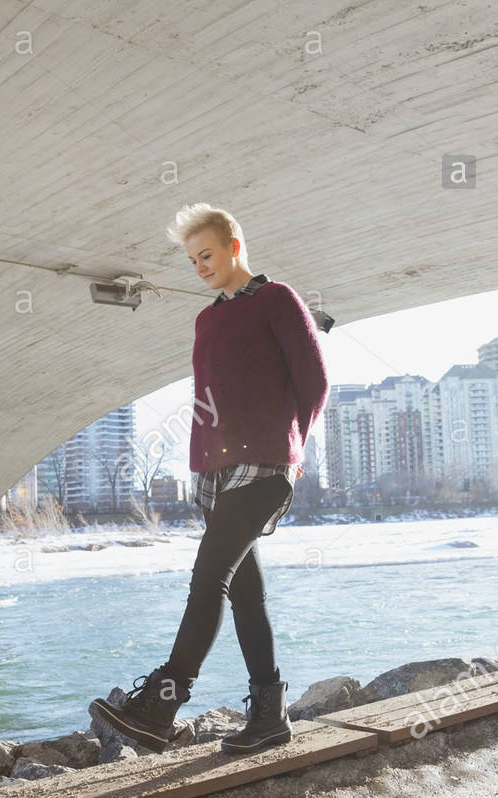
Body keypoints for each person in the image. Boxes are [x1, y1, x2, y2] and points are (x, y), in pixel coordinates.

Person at [88, 203, 330, 756]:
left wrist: (294, 453)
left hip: (264, 467)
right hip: (214, 476)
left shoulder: (277, 299)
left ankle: (161, 704)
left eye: (207, 255)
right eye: (192, 259)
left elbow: (314, 381)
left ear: (234, 247)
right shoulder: (207, 318)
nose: (199, 266)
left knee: (207, 577)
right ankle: (270, 717)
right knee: (247, 596)